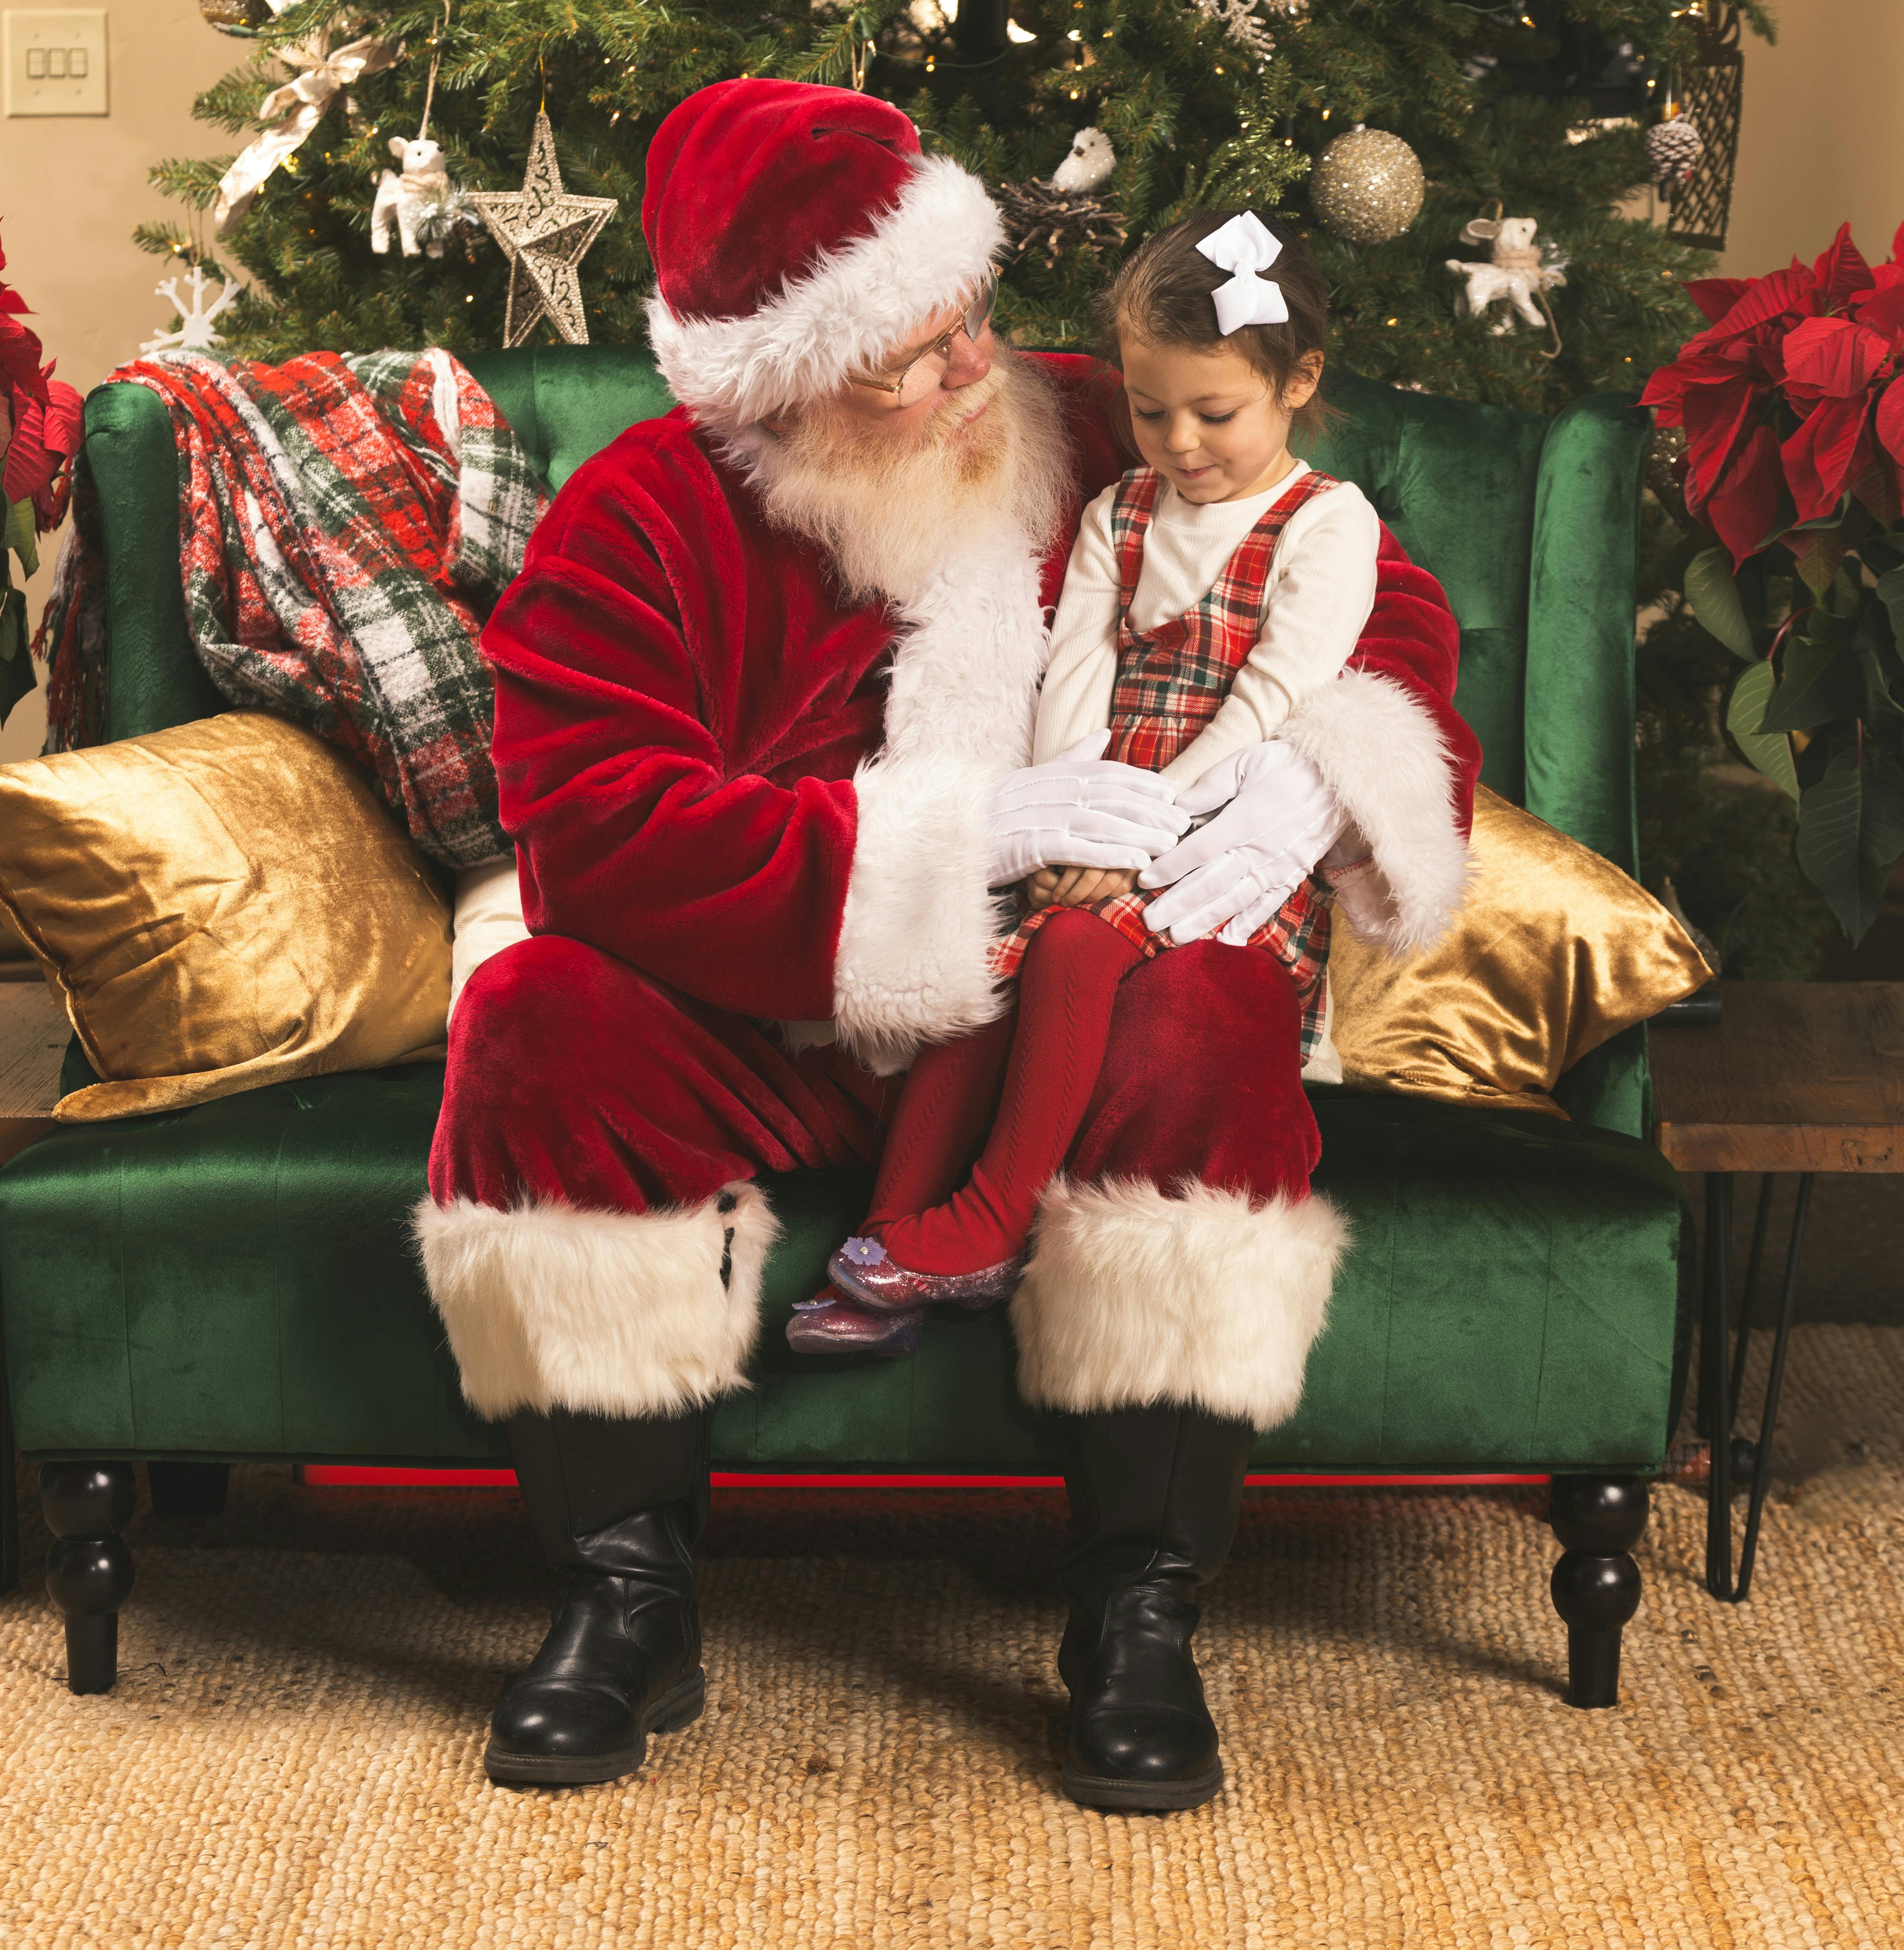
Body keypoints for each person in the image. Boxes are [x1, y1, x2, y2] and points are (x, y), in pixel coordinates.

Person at [418, 77, 1480, 1811]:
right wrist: (948, 840)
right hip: (780, 1038)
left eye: (967, 317)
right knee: (533, 1011)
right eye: (903, 356)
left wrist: (1326, 762)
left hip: (1071, 1013)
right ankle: (625, 1581)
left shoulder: (1089, 419)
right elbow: (591, 821)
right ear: (771, 381)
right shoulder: (642, 518)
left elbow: (1383, 592)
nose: (968, 371)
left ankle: (1140, 1595)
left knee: (1214, 1002)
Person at [796, 209, 1390, 1357]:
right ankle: (891, 1244)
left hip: (1216, 855)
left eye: (1215, 414)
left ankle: (987, 1224)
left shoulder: (1327, 527)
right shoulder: (1121, 515)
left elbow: (1272, 697)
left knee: (1067, 950)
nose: (1179, 441)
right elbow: (1076, 668)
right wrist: (1073, 806)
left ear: (1299, 379)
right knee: (977, 970)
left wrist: (1142, 831)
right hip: (1096, 824)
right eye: (1149, 409)